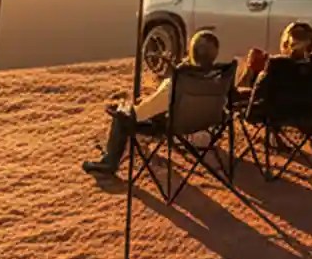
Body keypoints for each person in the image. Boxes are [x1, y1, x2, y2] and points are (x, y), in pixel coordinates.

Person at [82, 30, 221, 176]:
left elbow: (140, 113)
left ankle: (109, 163)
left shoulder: (178, 83)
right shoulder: (218, 76)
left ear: (191, 51)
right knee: (150, 108)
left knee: (122, 118)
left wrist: (124, 109)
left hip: (176, 128)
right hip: (204, 126)